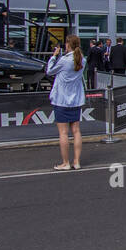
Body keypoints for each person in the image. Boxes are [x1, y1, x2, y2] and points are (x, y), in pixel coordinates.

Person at [45, 35, 86, 170]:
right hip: (76, 100)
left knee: (63, 133)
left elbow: (50, 71)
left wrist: (53, 56)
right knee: (76, 131)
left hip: (62, 100)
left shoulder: (64, 60)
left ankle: (65, 162)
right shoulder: (82, 60)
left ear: (68, 44)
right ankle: (77, 161)